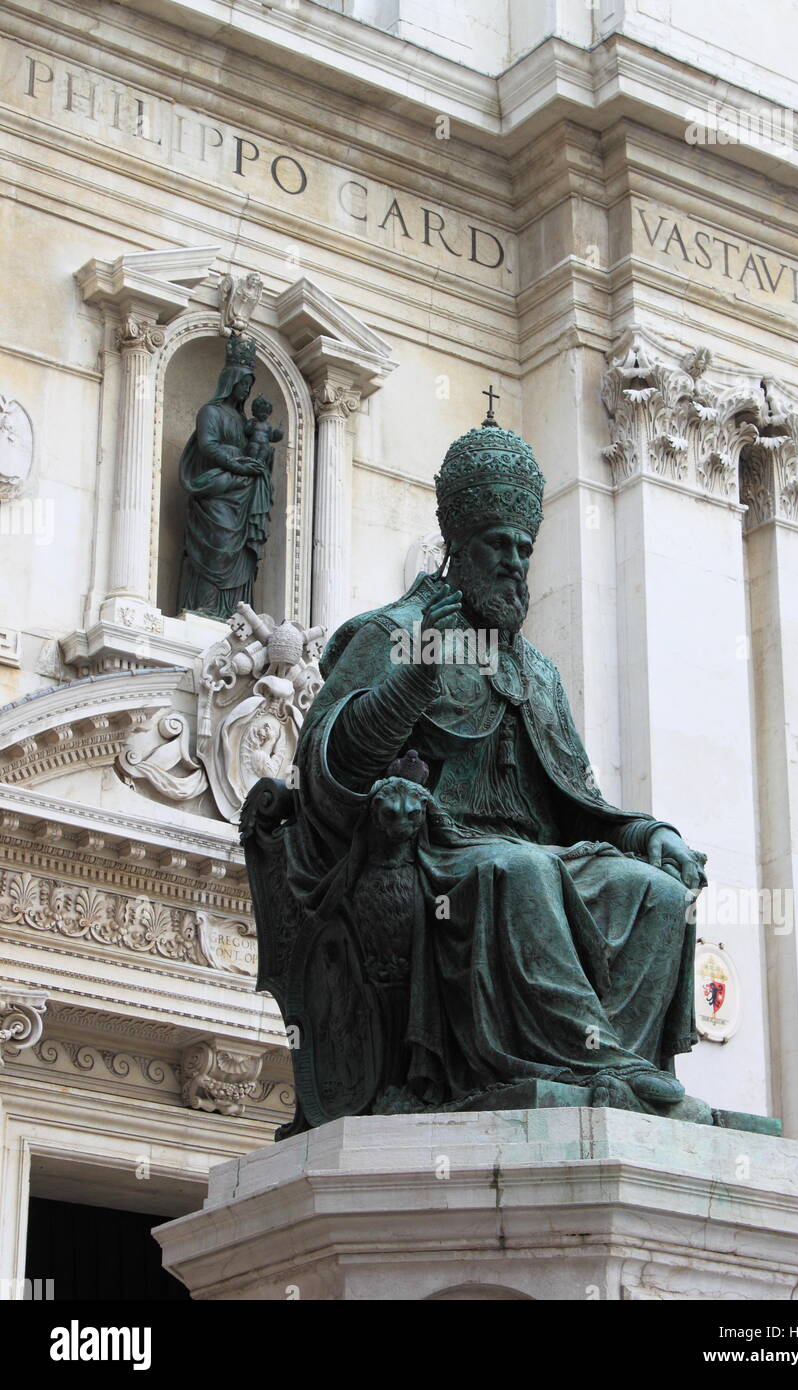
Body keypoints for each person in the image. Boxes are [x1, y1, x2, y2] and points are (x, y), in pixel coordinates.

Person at [285, 413, 708, 1115]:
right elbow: (327, 765)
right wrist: (414, 678)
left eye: (523, 548)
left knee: (652, 891)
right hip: (445, 852)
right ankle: (587, 1064)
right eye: (496, 545)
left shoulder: (537, 672)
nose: (514, 561)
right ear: (458, 548)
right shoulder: (397, 632)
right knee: (521, 871)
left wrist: (645, 835)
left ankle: (620, 1069)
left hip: (544, 856)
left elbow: (579, 801)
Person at [177, 337, 271, 620]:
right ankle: (205, 607)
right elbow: (207, 446)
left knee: (240, 551)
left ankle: (233, 612)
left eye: (249, 386)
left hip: (243, 494)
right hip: (217, 491)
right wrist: (239, 463)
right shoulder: (211, 412)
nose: (246, 390)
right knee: (217, 544)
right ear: (231, 381)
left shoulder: (245, 422)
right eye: (244, 384)